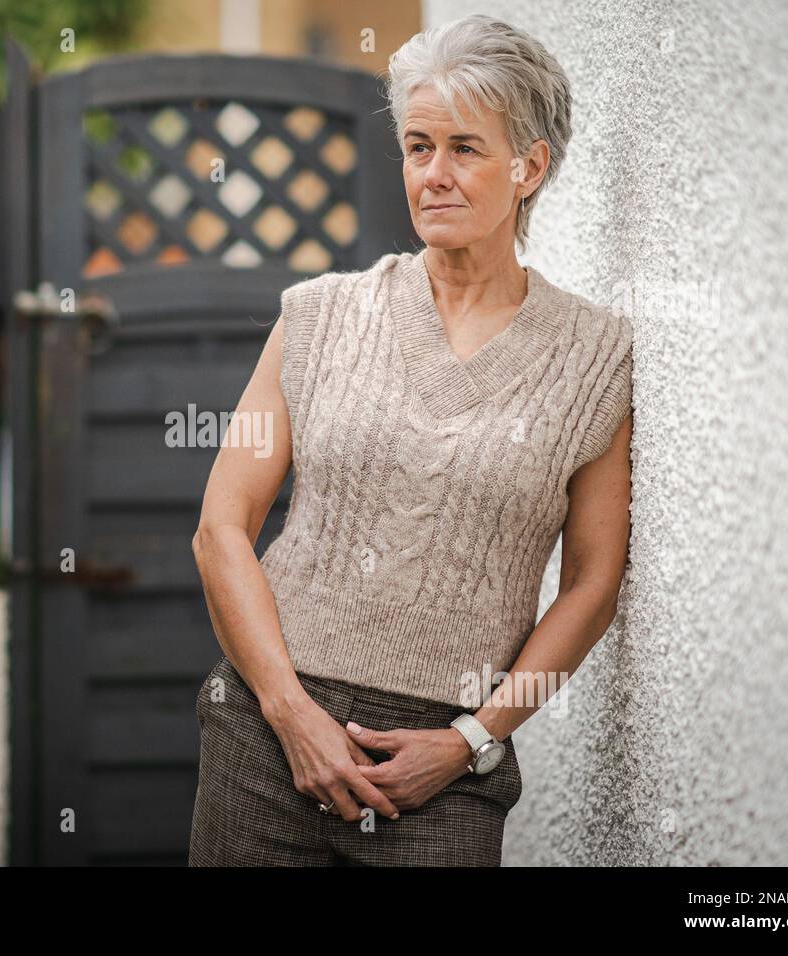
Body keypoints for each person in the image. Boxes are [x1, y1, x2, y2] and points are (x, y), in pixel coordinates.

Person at [187, 14, 634, 866]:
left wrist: (471, 739)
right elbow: (221, 527)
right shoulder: (315, 317)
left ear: (529, 167)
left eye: (465, 149)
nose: (434, 174)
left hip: (442, 780)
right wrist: (291, 715)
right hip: (265, 744)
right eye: (418, 146)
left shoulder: (595, 357)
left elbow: (592, 584)